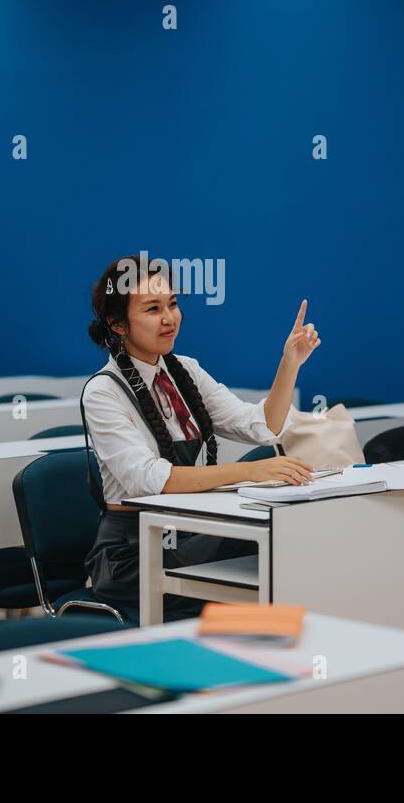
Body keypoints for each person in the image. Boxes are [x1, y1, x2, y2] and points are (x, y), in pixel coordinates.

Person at [82, 255, 319, 618]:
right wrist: (250, 472)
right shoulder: (102, 392)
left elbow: (261, 426)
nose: (169, 318)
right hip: (133, 553)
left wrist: (291, 362)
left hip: (188, 532)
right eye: (152, 309)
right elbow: (152, 480)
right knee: (269, 550)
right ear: (117, 325)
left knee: (282, 544)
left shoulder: (186, 370)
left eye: (173, 304)